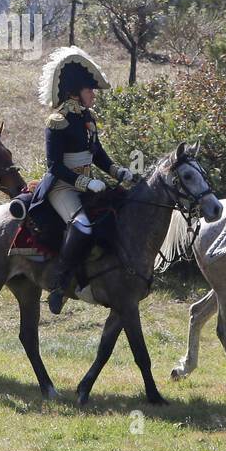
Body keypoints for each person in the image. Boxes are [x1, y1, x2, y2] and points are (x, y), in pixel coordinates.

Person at [34, 47, 135, 314]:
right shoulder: (58, 121)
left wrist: (117, 172)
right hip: (62, 187)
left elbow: (97, 154)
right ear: (74, 92)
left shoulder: (87, 118)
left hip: (89, 184)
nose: (93, 95)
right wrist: (86, 184)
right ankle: (59, 284)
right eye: (89, 90)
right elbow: (54, 166)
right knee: (83, 228)